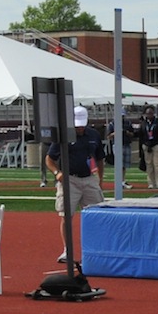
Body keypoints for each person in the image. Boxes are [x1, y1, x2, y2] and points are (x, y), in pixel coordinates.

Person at [45, 105, 104, 262]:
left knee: (95, 215)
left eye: (82, 125)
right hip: (69, 179)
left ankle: (94, 249)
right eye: (77, 126)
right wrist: (57, 173)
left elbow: (99, 158)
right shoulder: (63, 136)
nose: (79, 128)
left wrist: (100, 179)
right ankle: (67, 250)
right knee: (66, 215)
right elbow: (49, 159)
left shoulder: (94, 135)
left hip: (89, 178)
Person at [136, 105, 158, 191]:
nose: (149, 115)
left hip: (157, 145)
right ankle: (151, 183)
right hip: (147, 146)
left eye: (150, 113)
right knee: (149, 165)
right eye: (147, 113)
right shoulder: (144, 123)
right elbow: (140, 134)